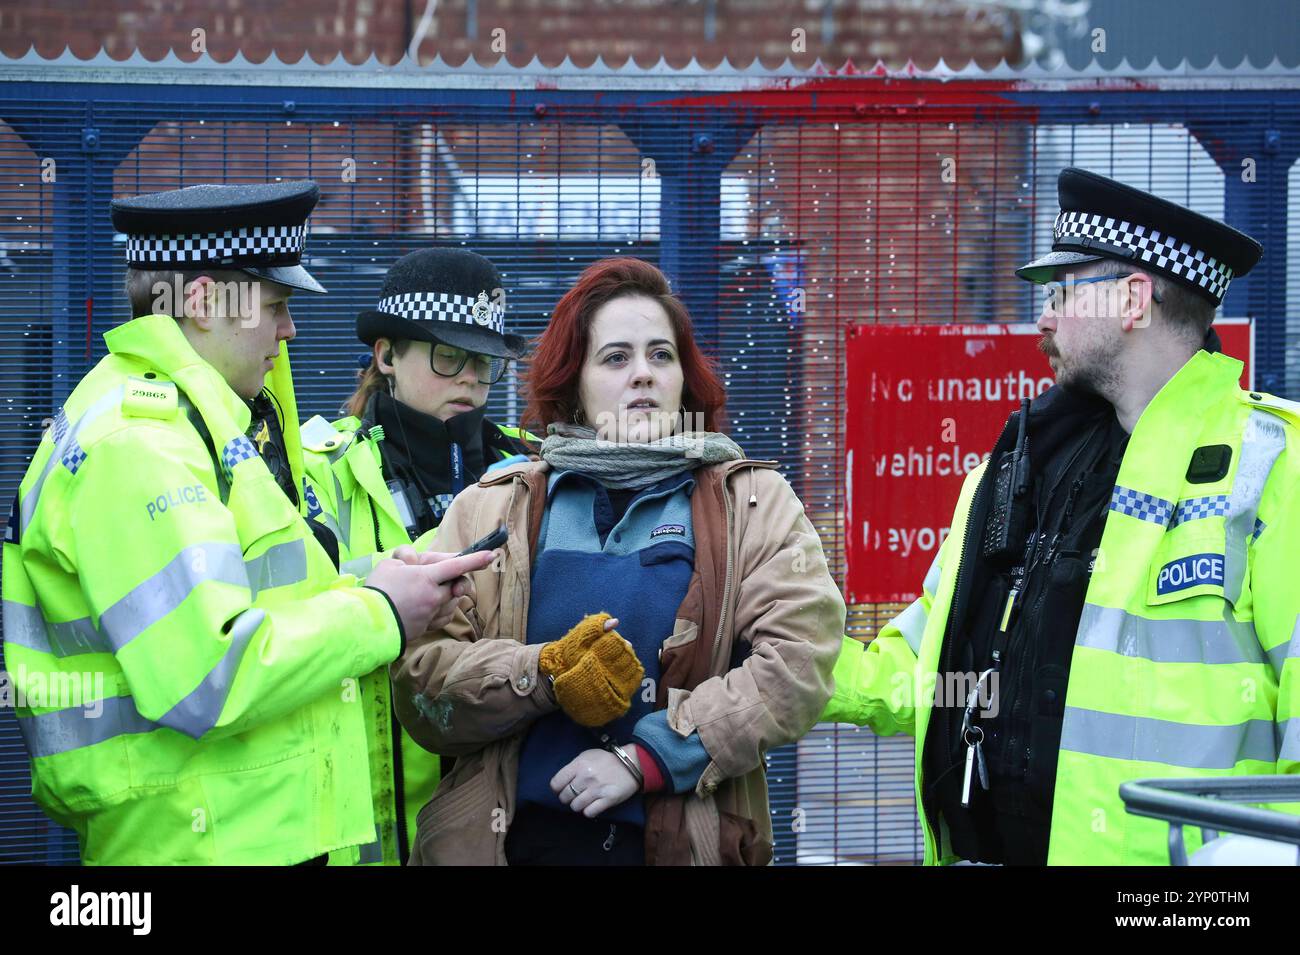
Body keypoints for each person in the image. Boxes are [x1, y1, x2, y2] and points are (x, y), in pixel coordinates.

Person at [1, 181, 494, 865]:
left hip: (230, 831)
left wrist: (369, 579)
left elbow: (251, 596)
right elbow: (210, 674)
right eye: (277, 305)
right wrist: (381, 611)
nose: (289, 330)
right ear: (202, 301)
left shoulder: (185, 426)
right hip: (201, 842)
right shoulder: (138, 445)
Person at [823, 167, 1300, 865]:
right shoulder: (1015, 471)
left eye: (1067, 289)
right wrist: (779, 670)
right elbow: (924, 666)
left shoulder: (1275, 465)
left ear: (1133, 299)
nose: (1044, 316)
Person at [390, 256, 844, 865]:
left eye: (661, 355)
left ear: (685, 378)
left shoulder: (752, 502)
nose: (643, 375)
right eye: (615, 358)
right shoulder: (491, 507)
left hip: (677, 845)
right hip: (511, 845)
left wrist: (647, 759)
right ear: (574, 383)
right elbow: (423, 685)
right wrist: (544, 673)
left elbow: (797, 664)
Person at [300, 247, 535, 865]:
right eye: (449, 356)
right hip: (363, 827)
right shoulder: (314, 470)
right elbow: (293, 611)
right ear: (386, 356)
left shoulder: (535, 470)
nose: (471, 380)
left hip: (502, 821)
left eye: (485, 364)